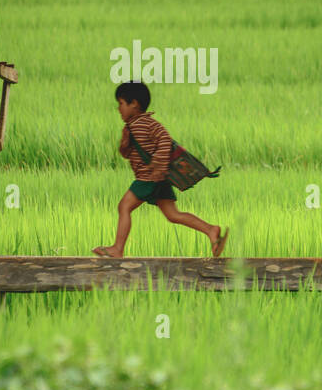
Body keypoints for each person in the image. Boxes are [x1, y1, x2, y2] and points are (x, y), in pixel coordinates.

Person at [93, 81, 227, 258]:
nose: (118, 109)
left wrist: (158, 164)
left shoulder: (147, 123)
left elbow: (165, 140)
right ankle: (210, 230)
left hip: (148, 178)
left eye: (121, 104)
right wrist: (125, 144)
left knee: (124, 207)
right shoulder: (132, 127)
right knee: (173, 215)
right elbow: (129, 154)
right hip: (157, 178)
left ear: (134, 104)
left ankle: (118, 248)